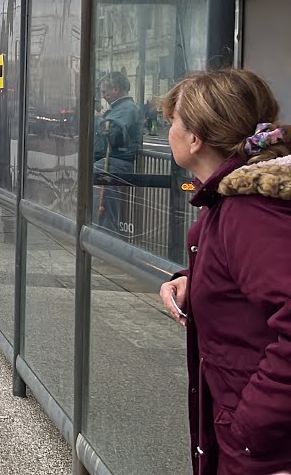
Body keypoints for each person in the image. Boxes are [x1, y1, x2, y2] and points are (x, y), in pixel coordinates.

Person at [156, 69, 291, 475]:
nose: (170, 131)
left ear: (194, 138)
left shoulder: (248, 211)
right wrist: (196, 280)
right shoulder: (239, 202)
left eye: (173, 122)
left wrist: (249, 426)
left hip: (266, 450)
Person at [93, 71, 142, 232]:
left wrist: (97, 119)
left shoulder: (126, 108)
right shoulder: (121, 108)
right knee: (106, 205)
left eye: (105, 92)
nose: (104, 96)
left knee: (106, 206)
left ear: (115, 88)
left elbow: (110, 131)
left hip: (116, 163)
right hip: (113, 162)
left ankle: (107, 240)